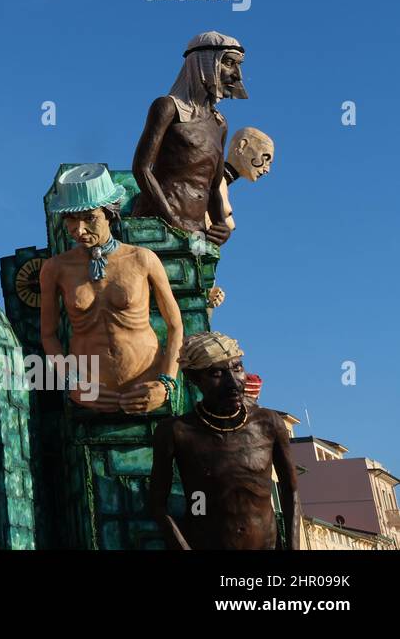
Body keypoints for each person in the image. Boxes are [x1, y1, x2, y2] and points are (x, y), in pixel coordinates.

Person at [40, 164, 184, 414]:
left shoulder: (142, 259)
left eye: (89, 217)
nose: (79, 229)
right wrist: (72, 384)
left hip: (147, 386)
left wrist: (166, 383)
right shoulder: (56, 269)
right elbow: (48, 335)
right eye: (71, 219)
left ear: (109, 212)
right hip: (91, 392)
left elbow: (175, 325)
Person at [150, 332, 300, 549]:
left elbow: (291, 490)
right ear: (194, 378)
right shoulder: (176, 432)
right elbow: (157, 504)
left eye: (238, 368)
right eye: (217, 373)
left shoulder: (269, 423)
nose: (233, 382)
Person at [132, 32, 247, 244]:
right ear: (204, 62)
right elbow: (142, 169)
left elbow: (213, 187)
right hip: (157, 229)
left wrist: (220, 224)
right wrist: (172, 221)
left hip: (197, 234)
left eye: (239, 65)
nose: (237, 74)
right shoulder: (167, 107)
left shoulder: (219, 124)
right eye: (229, 63)